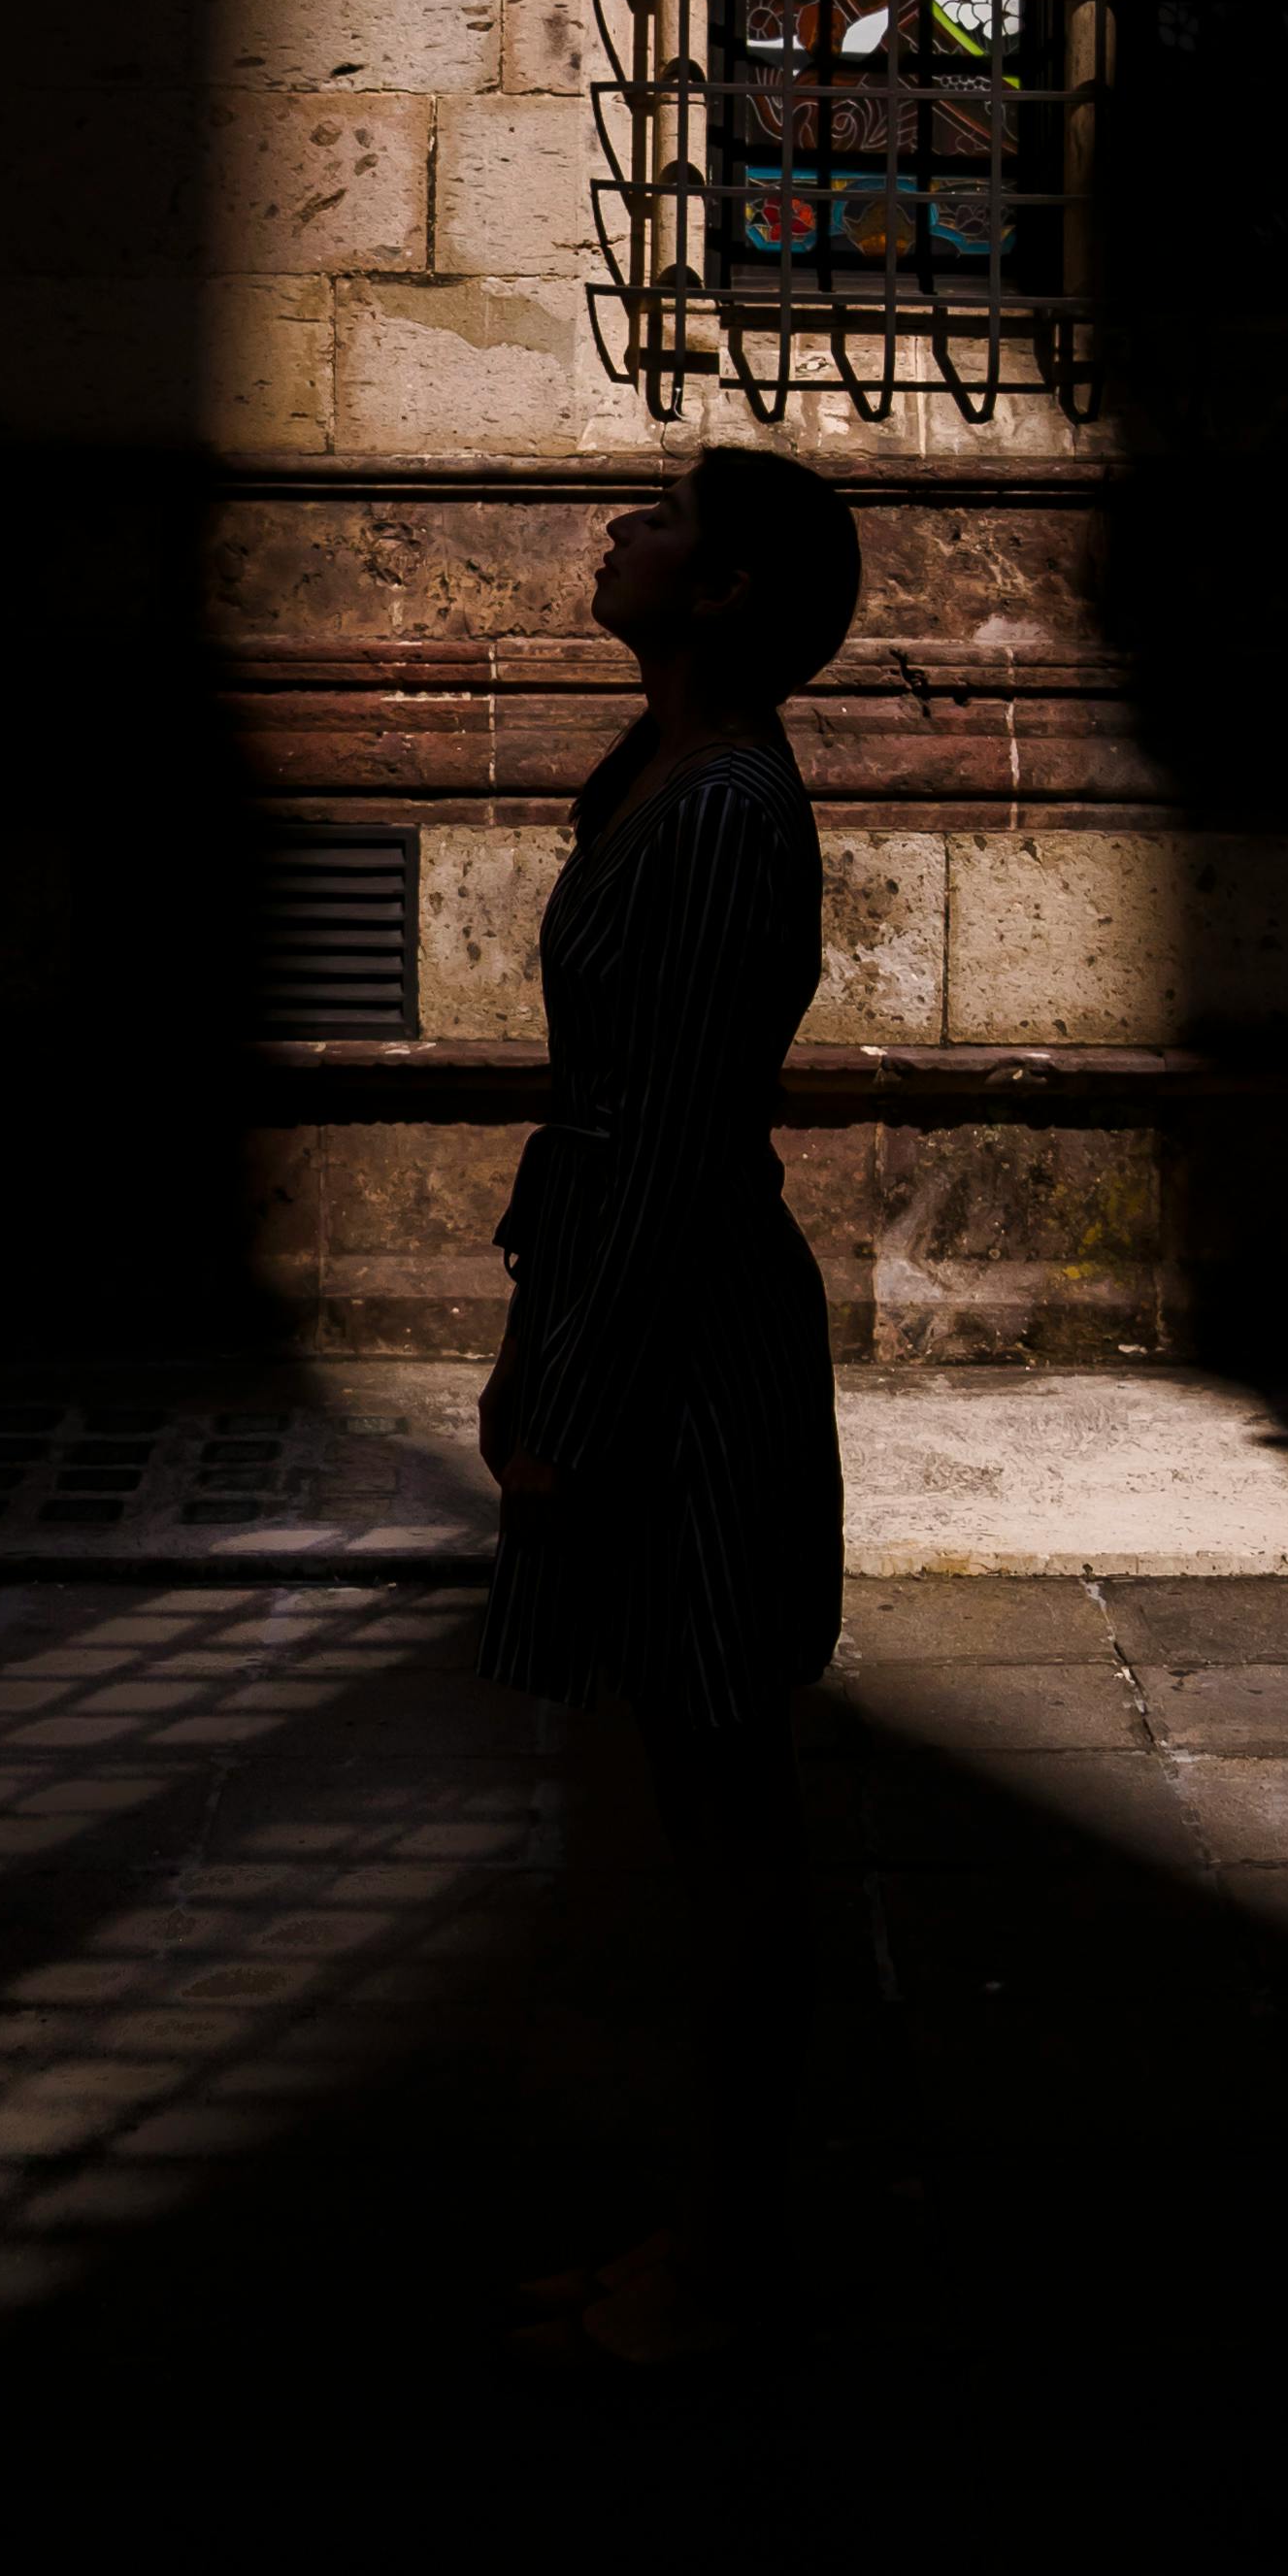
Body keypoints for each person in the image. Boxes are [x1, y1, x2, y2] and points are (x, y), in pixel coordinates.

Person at [478, 444, 862, 2368]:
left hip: (689, 1352)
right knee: (690, 1799)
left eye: (661, 519)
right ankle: (701, 2238)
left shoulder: (719, 815)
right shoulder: (653, 779)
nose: (618, 529)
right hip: (634, 1314)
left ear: (720, 593)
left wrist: (575, 1400)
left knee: (727, 1816)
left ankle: (725, 2261)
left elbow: (679, 1143)